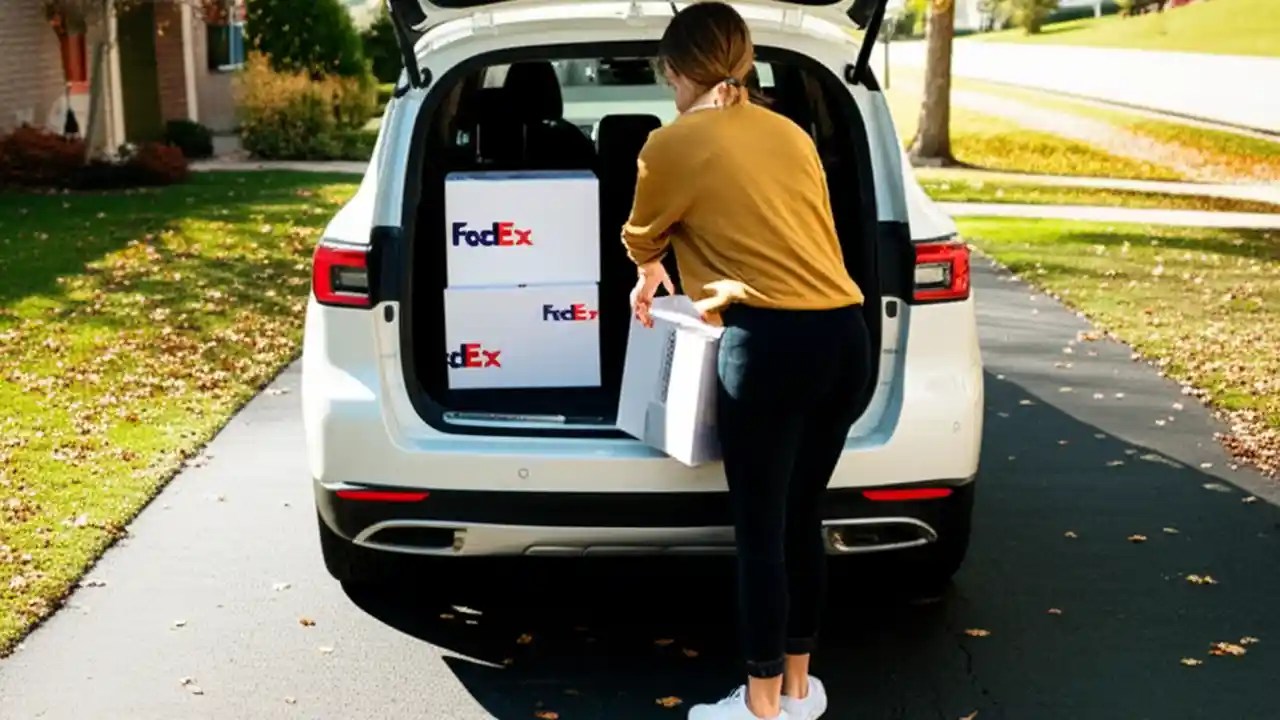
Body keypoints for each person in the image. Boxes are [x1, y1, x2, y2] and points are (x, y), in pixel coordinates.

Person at [620, 3, 872, 719]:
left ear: (676, 70)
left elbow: (644, 229)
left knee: (761, 531)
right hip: (844, 341)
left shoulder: (674, 141)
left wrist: (646, 267)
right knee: (800, 518)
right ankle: (797, 690)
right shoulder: (790, 132)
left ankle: (759, 710)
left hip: (769, 347)